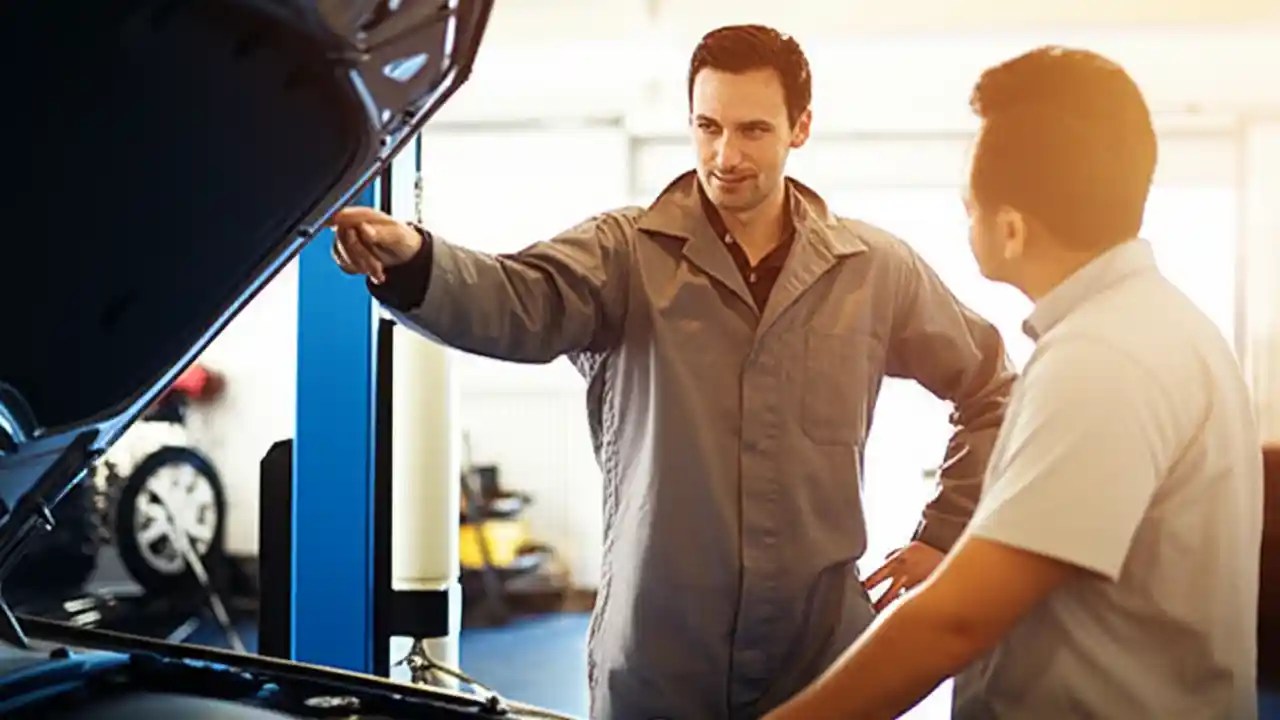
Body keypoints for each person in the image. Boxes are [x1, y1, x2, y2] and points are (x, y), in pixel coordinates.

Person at [330, 24, 1016, 720]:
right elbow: (514, 297)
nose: (726, 156)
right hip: (661, 661)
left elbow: (993, 389)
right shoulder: (625, 255)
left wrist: (944, 531)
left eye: (753, 130)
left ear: (799, 128)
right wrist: (414, 259)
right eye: (708, 126)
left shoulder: (874, 272)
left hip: (820, 658)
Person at [763, 46, 1265, 720]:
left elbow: (953, 625)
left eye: (968, 206)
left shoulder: (1101, 359)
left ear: (1009, 228)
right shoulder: (1163, 326)